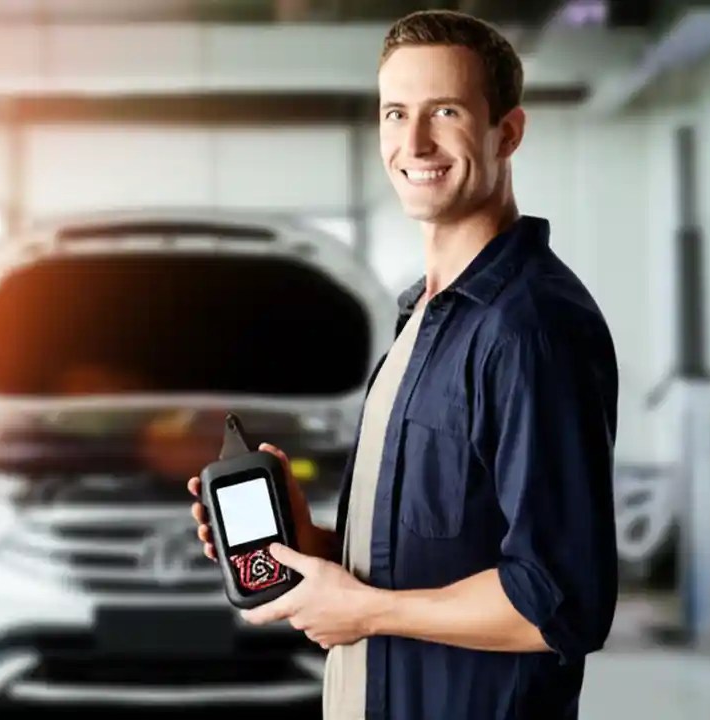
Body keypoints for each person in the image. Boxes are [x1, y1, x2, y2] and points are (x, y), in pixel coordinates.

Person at [187, 9, 619, 720]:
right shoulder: (422, 318)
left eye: (444, 111)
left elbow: (560, 602)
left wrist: (364, 610)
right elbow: (436, 554)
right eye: (395, 113)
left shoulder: (532, 328)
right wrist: (315, 546)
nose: (412, 143)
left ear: (507, 132)